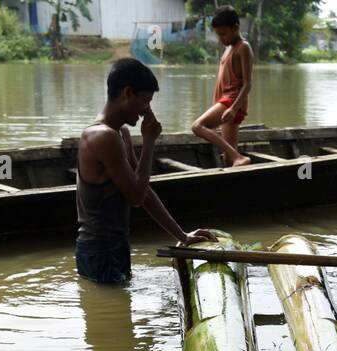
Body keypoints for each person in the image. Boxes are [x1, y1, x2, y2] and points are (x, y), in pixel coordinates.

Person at [76, 58, 213, 284]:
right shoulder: (103, 136)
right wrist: (149, 142)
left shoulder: (120, 134)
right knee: (112, 316)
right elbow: (136, 197)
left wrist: (182, 236)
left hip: (116, 244)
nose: (147, 110)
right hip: (99, 249)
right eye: (145, 101)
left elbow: (143, 190)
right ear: (127, 93)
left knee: (120, 314)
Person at [191, 6, 253, 168]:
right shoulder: (228, 48)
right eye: (218, 34)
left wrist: (233, 108)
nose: (221, 38)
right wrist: (217, 103)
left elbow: (247, 84)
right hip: (224, 103)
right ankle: (235, 160)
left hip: (232, 102)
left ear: (236, 28)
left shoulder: (243, 47)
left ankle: (238, 157)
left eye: (224, 34)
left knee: (198, 126)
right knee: (227, 159)